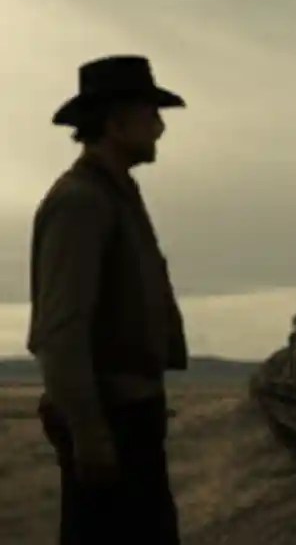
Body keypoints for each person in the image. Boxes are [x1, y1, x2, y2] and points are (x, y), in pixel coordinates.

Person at [27, 54, 190, 544]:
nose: (160, 127)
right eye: (150, 114)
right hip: (111, 417)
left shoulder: (115, 195)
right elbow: (61, 332)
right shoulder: (81, 201)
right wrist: (89, 433)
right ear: (116, 122)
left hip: (129, 416)